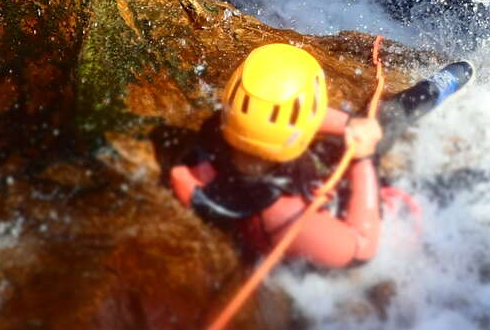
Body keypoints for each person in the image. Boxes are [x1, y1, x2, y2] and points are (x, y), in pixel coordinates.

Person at [170, 44, 473, 268]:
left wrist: (351, 126)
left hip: (293, 174)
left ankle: (432, 90)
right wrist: (361, 159)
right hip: (335, 229)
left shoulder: (222, 131)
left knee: (380, 124)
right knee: (431, 194)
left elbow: (281, 116)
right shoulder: (288, 220)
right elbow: (361, 249)